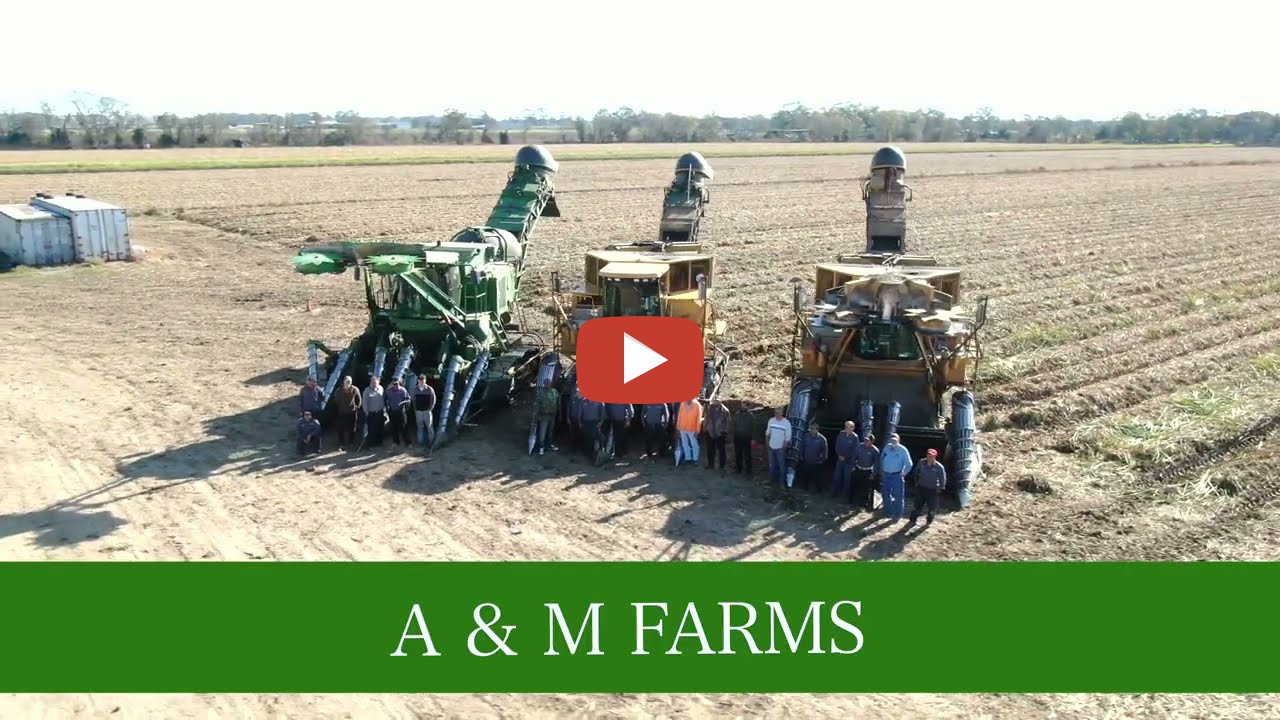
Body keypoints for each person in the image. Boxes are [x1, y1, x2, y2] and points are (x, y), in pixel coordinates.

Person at [909, 448, 947, 526]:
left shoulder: (939, 467)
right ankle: (912, 520)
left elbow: (942, 479)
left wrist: (939, 489)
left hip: (932, 490)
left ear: (935, 457)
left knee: (932, 508)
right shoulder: (921, 462)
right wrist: (916, 483)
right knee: (917, 506)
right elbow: (916, 472)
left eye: (932, 456)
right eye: (928, 455)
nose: (930, 457)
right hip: (921, 488)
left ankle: (929, 521)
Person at [879, 433, 913, 519]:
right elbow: (882, 458)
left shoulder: (903, 450)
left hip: (897, 475)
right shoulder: (887, 447)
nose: (893, 442)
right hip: (886, 475)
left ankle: (898, 514)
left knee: (898, 496)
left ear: (898, 440)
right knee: (885, 494)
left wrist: (903, 473)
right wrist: (882, 469)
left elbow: (909, 464)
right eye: (892, 440)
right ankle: (888, 512)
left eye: (895, 440)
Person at [851, 434, 881, 512]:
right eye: (865, 440)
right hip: (858, 469)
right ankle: (852, 501)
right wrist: (853, 466)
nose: (865, 442)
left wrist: (873, 474)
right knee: (855, 485)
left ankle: (863, 504)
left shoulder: (875, 450)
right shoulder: (860, 446)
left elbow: (876, 463)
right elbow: (854, 456)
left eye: (867, 440)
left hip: (867, 471)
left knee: (865, 489)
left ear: (872, 441)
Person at [830, 420, 859, 501]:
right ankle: (833, 493)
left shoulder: (855, 437)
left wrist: (846, 457)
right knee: (836, 477)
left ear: (853, 428)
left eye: (849, 427)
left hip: (849, 462)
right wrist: (839, 455)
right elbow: (837, 446)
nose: (847, 428)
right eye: (846, 426)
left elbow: (855, 451)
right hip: (840, 460)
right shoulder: (841, 434)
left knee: (847, 479)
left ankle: (844, 496)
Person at [332, 376, 362, 451]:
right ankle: (341, 444)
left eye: (349, 382)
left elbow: (359, 400)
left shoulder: (355, 389)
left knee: (352, 428)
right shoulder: (339, 391)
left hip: (352, 412)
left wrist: (356, 408)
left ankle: (351, 443)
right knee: (340, 428)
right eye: (346, 381)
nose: (347, 383)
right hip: (342, 412)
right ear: (343, 382)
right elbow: (336, 401)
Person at [533, 380, 561, 455]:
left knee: (550, 431)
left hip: (552, 415)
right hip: (544, 416)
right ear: (544, 384)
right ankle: (541, 448)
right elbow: (537, 405)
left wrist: (559, 413)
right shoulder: (541, 393)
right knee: (542, 432)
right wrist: (537, 416)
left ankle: (549, 444)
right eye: (546, 384)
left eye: (549, 383)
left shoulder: (554, 391)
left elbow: (558, 402)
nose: (548, 385)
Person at [765, 407, 792, 485]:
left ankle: (781, 483)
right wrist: (767, 444)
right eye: (775, 412)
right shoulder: (771, 420)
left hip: (780, 448)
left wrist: (783, 448)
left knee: (781, 466)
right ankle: (770, 480)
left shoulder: (786, 423)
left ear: (782, 413)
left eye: (778, 412)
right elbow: (768, 433)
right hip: (771, 446)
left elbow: (787, 437)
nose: (776, 414)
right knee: (771, 465)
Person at [675, 398, 703, 466]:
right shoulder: (682, 404)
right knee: (685, 444)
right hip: (682, 427)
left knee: (694, 444)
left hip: (692, 428)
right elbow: (679, 416)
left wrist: (697, 430)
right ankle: (688, 458)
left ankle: (695, 459)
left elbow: (699, 419)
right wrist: (678, 427)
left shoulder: (697, 405)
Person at [703, 399, 730, 471]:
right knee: (710, 450)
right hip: (710, 432)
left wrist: (725, 431)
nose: (715, 403)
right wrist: (705, 429)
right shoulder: (709, 409)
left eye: (716, 401)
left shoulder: (725, 411)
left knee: (721, 451)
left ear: (720, 402)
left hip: (720, 433)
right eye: (714, 401)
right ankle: (710, 464)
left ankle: (722, 466)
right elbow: (706, 419)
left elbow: (728, 422)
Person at [799, 425, 828, 491]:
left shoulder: (822, 439)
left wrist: (823, 459)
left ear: (817, 430)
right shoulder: (806, 436)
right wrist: (800, 455)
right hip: (807, 460)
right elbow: (802, 446)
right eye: (811, 429)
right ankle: (805, 487)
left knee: (817, 476)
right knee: (806, 474)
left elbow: (825, 450)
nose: (812, 430)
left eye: (813, 429)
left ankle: (818, 489)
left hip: (817, 462)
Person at [384, 377, 412, 447]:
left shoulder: (403, 390)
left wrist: (404, 405)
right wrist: (387, 408)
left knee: (404, 427)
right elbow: (385, 400)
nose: (395, 385)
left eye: (396, 384)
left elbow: (408, 399)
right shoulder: (389, 391)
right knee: (394, 428)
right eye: (393, 384)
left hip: (401, 412)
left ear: (399, 383)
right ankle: (396, 442)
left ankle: (408, 443)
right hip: (392, 411)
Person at [412, 374, 436, 450]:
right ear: (418, 380)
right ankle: (420, 442)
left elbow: (433, 399)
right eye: (420, 380)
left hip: (427, 411)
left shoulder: (429, 389)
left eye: (423, 380)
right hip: (418, 411)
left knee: (429, 427)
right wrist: (415, 409)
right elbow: (413, 399)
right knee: (420, 427)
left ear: (425, 380)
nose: (421, 381)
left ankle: (431, 443)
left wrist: (430, 408)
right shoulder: (415, 389)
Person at [732, 403, 756, 475]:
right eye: (742, 405)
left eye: (745, 405)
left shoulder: (751, 416)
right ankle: (738, 469)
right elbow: (734, 425)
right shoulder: (737, 414)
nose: (743, 407)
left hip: (747, 438)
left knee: (747, 455)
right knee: (738, 454)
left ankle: (749, 471)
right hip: (738, 437)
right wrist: (734, 433)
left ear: (747, 407)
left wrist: (753, 439)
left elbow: (754, 428)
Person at [362, 377, 386, 447]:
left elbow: (383, 398)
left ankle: (379, 443)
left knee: (380, 428)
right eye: (372, 382)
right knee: (371, 429)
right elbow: (364, 403)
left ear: (378, 382)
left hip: (380, 412)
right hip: (371, 413)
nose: (374, 384)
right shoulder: (367, 391)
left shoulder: (381, 388)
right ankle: (370, 445)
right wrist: (367, 413)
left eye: (375, 382)